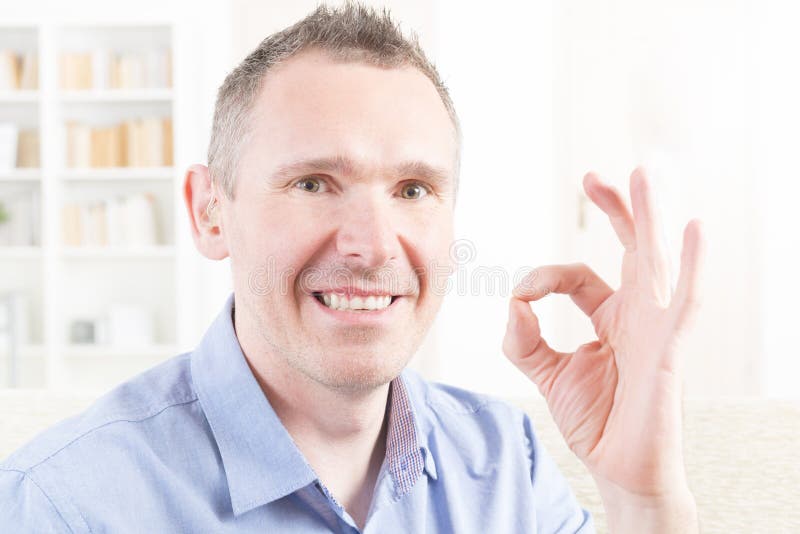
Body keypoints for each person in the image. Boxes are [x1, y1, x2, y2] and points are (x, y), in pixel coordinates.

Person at [0, 2, 704, 532]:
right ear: (211, 212)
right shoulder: (66, 503)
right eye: (313, 183)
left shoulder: (504, 466)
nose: (373, 245)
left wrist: (645, 498)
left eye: (413, 190)